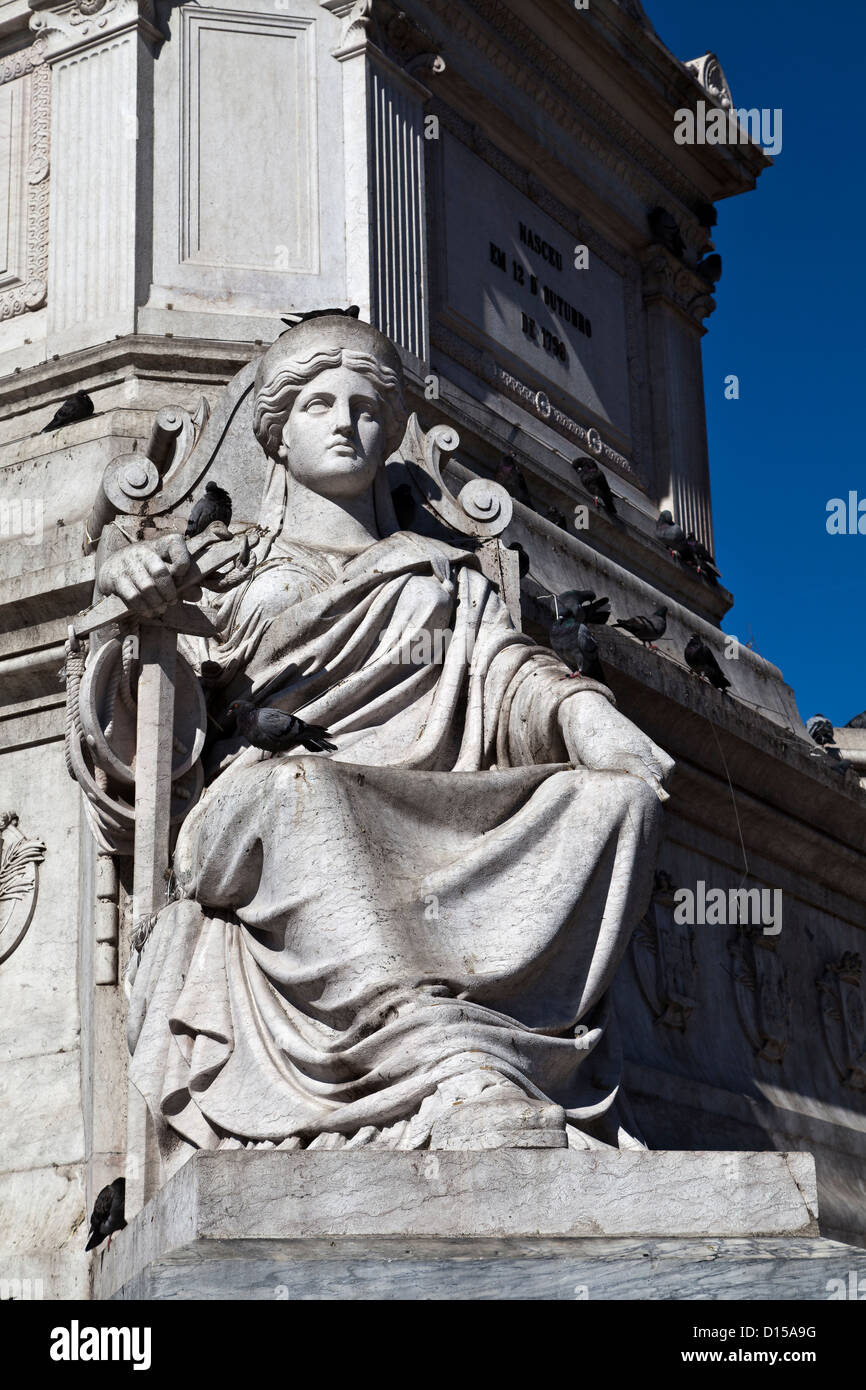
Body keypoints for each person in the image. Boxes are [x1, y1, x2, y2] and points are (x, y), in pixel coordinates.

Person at [99, 315, 673, 1170]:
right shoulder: (224, 565)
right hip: (262, 803)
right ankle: (440, 1058)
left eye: (368, 408)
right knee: (309, 793)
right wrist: (128, 611)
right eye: (319, 404)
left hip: (429, 798)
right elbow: (149, 729)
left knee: (611, 796)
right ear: (278, 436)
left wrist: (593, 720)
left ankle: (481, 1040)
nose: (345, 423)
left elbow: (510, 677)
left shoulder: (440, 572)